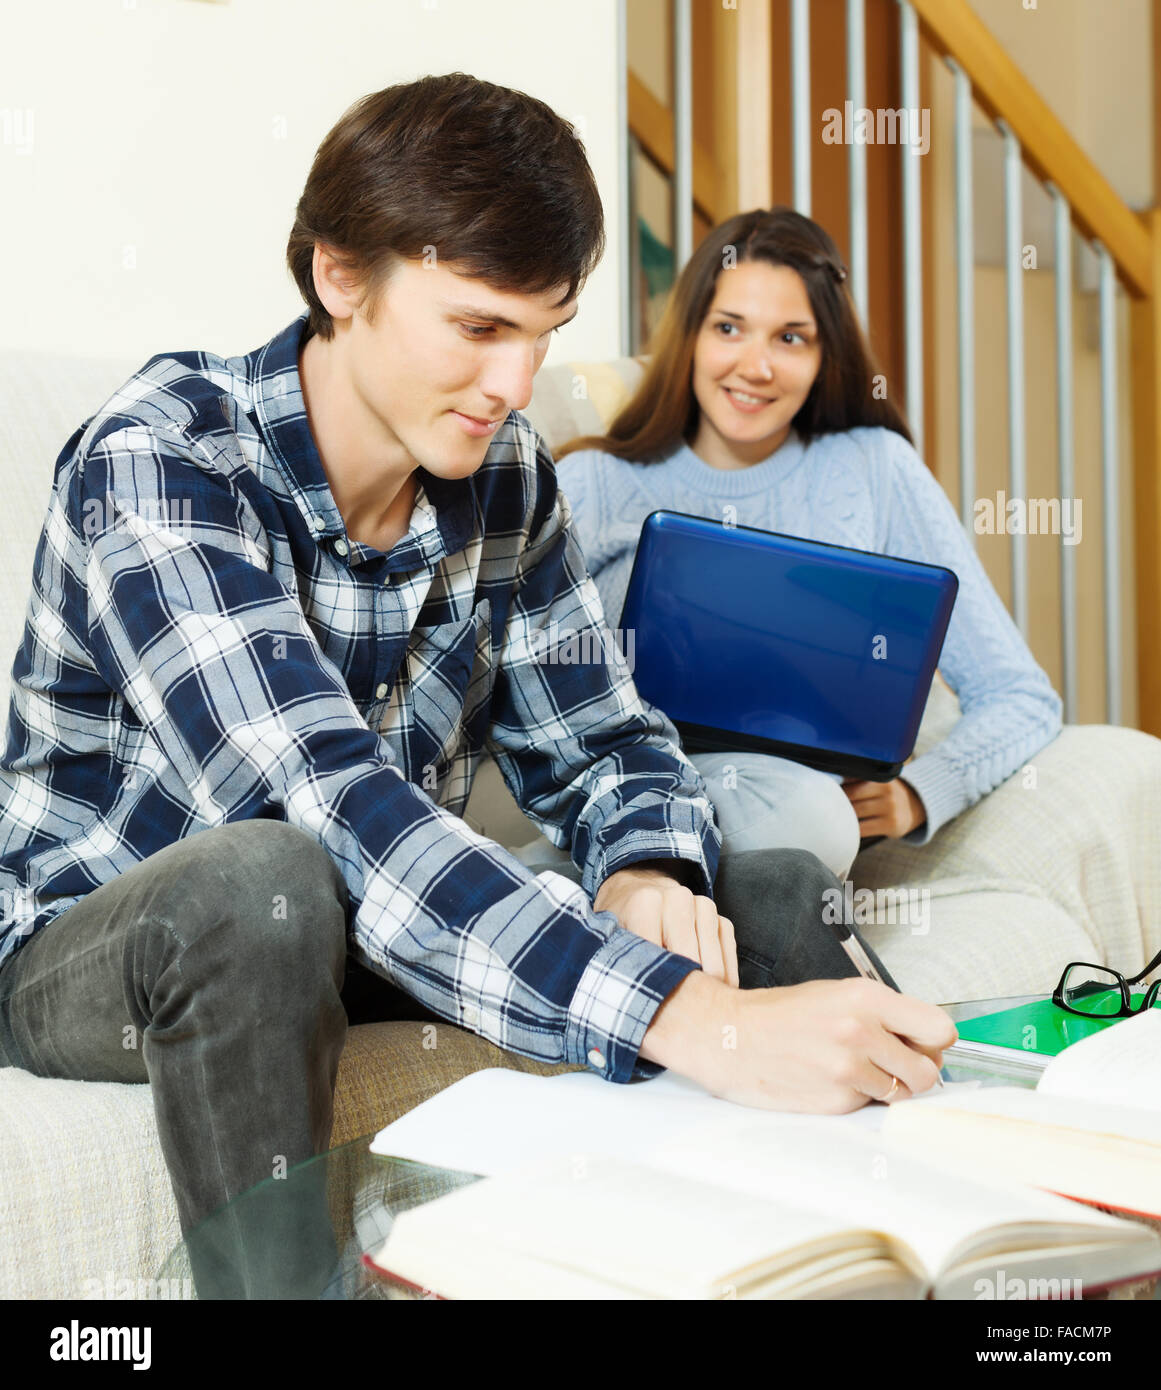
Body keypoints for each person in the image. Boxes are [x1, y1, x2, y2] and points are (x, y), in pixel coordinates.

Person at [0, 81, 953, 1297]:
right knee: (262, 882)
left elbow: (609, 739)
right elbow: (321, 808)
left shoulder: (504, 476)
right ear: (340, 277)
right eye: (478, 327)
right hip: (110, 938)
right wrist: (696, 1022)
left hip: (360, 921)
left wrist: (646, 866)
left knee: (761, 884)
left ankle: (882, 1256)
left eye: (544, 331)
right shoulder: (162, 461)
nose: (516, 380)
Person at [554, 206, 1063, 881]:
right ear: (690, 338)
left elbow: (1018, 694)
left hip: (803, 818)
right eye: (728, 328)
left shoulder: (872, 467)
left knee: (811, 818)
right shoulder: (594, 481)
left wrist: (919, 792)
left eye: (791, 338)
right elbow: (527, 682)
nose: (755, 365)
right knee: (805, 823)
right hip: (631, 790)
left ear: (826, 356)